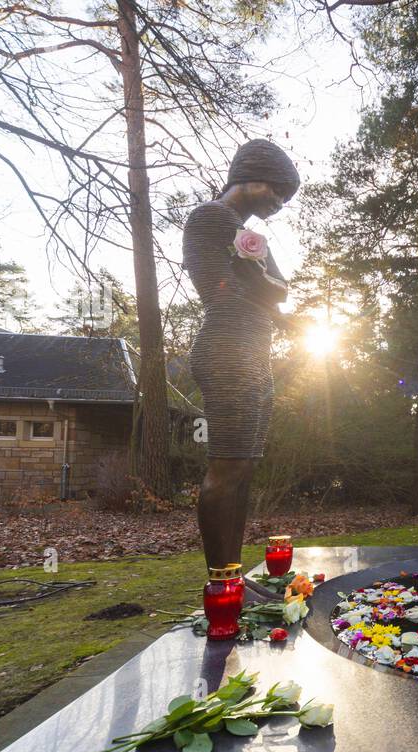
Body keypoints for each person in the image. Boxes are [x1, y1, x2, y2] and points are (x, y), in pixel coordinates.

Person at [182, 138, 299, 574]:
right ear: (250, 178)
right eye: (277, 192)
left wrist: (259, 280)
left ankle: (232, 574)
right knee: (228, 466)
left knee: (245, 467)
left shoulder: (247, 235)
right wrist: (258, 278)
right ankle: (219, 582)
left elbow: (279, 290)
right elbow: (231, 287)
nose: (279, 204)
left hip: (254, 354)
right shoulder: (211, 216)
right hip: (227, 349)